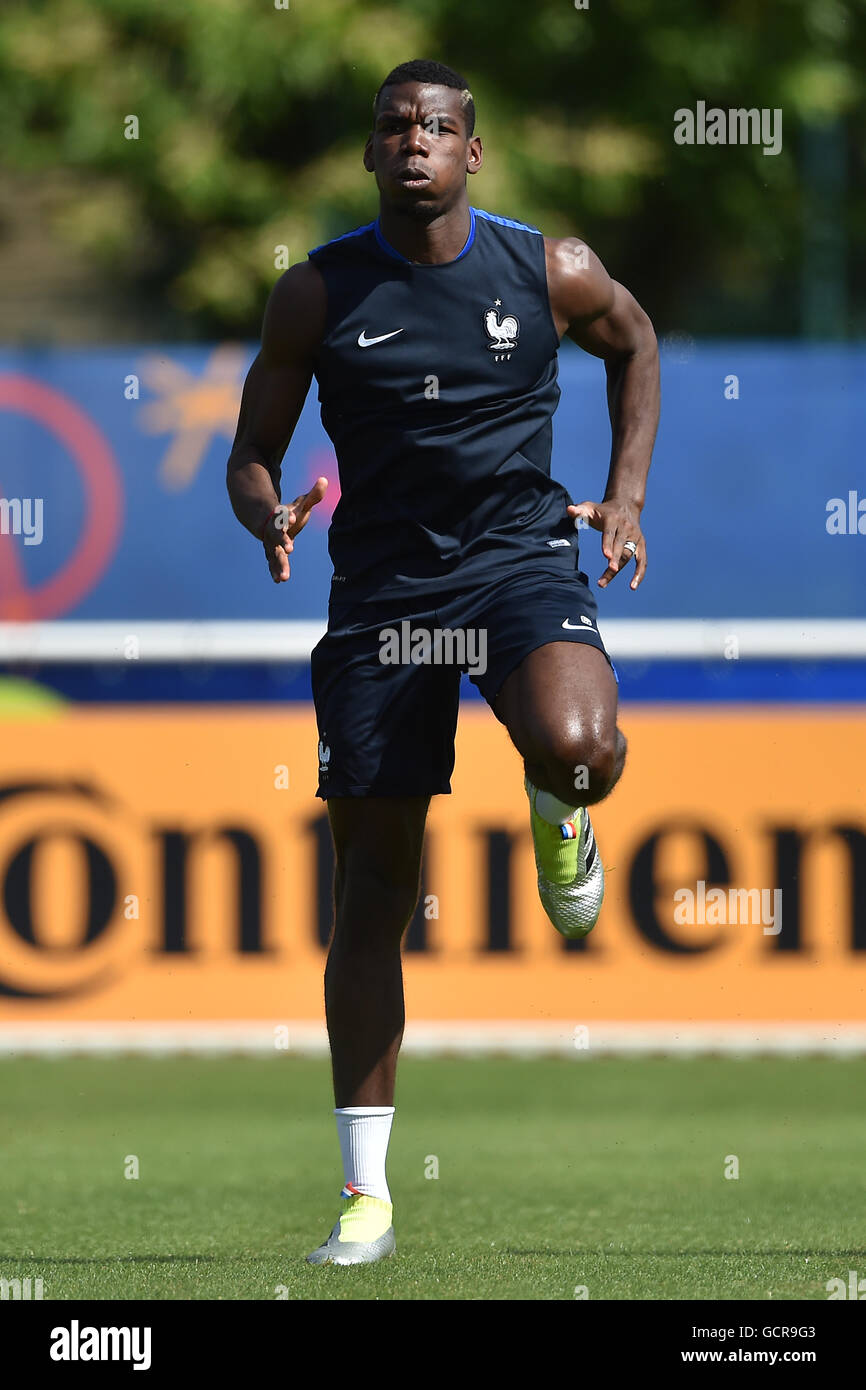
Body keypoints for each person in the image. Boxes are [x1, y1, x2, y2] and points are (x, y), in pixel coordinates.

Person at [226, 58, 659, 1266]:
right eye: (391, 127)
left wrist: (622, 495)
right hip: (381, 600)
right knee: (373, 895)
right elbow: (250, 453)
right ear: (371, 155)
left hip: (519, 567)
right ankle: (366, 1195)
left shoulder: (546, 268)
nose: (413, 140)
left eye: (436, 126)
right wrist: (264, 514)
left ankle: (557, 806)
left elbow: (633, 343)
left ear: (473, 154)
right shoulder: (315, 294)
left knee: (579, 746)